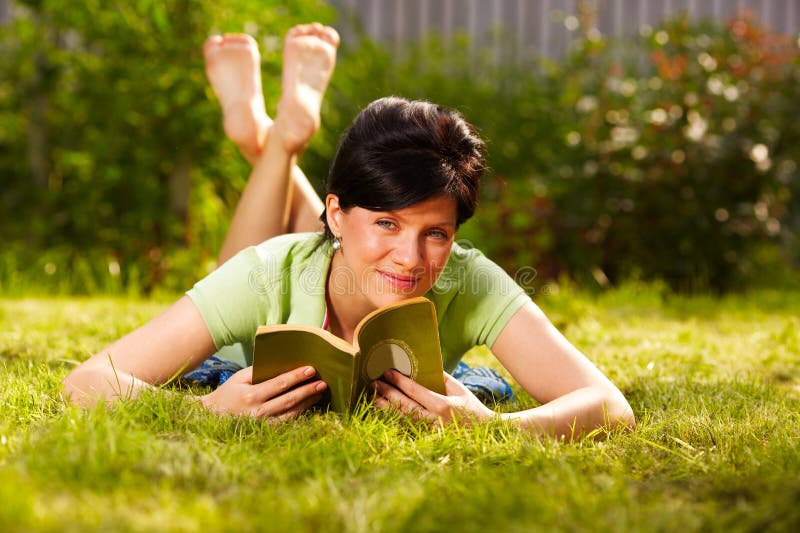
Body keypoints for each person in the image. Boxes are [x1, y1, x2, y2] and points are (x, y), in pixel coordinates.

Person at [62, 23, 635, 438]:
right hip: (249, 339)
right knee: (253, 264)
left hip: (328, 249)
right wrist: (205, 412)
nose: (411, 259)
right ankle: (282, 138)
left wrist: (491, 424)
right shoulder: (267, 274)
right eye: (387, 222)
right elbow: (87, 383)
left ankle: (270, 143)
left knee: (362, 252)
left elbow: (608, 406)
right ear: (333, 213)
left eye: (436, 233)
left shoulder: (469, 278)